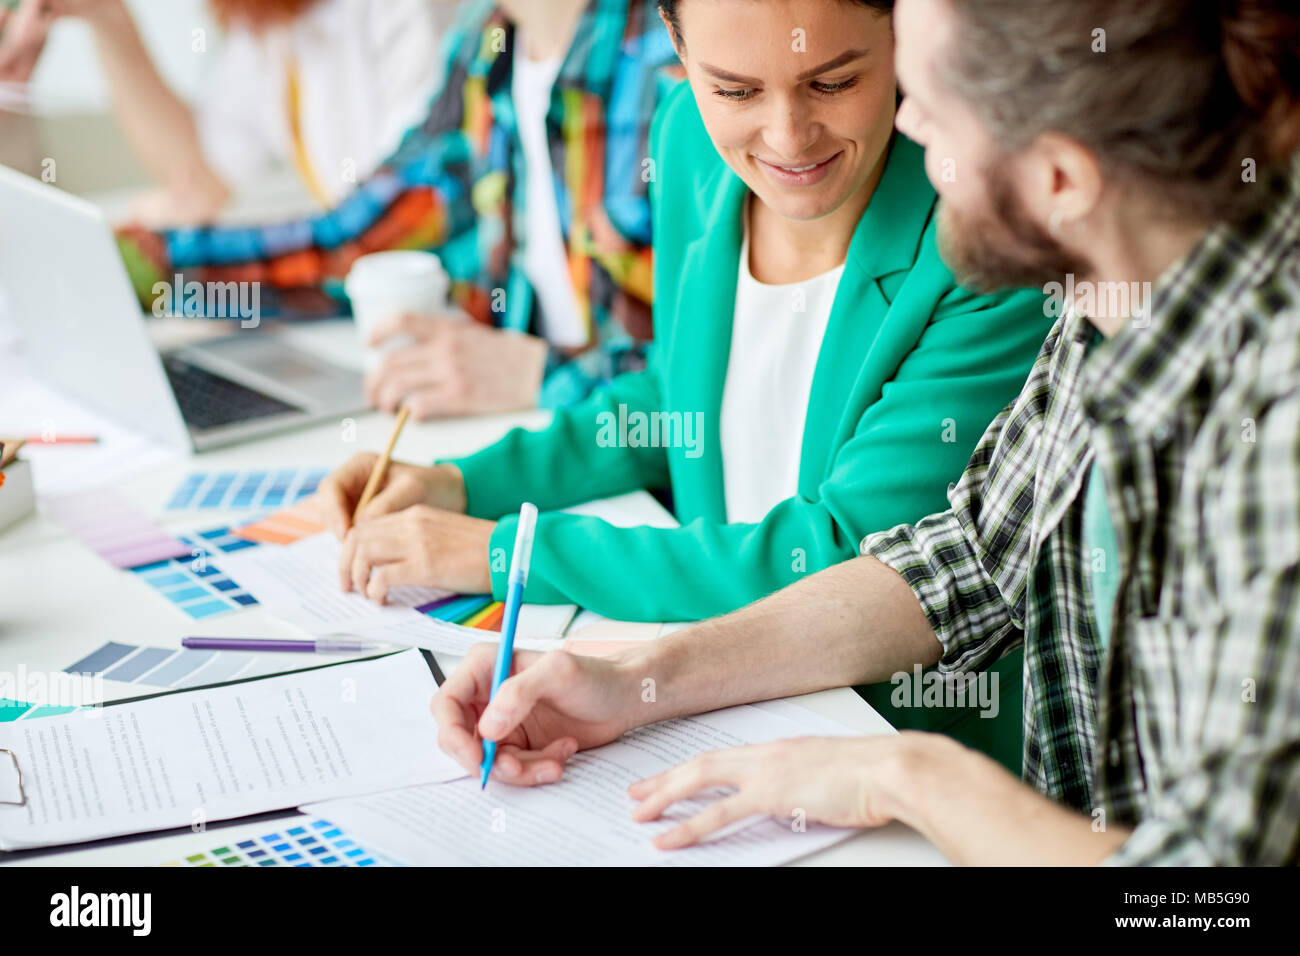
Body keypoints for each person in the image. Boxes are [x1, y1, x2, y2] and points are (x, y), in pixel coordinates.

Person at [432, 0, 1300, 865]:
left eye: (925, 101)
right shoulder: (1108, 298)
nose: (907, 127)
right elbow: (965, 559)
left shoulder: (1276, 430)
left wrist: (909, 776)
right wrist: (633, 684)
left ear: (1060, 180)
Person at [321, 0, 1049, 768]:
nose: (787, 136)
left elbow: (840, 561)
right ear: (675, 43)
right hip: (708, 700)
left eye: (833, 82)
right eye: (736, 91)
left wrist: (510, 551)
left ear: (902, 34)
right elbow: (676, 402)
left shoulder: (982, 235)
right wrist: (463, 483)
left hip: (893, 742)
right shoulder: (688, 146)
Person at [117, 0, 680, 416]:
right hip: (544, 464)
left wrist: (541, 372)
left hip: (664, 519)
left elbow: (710, 390)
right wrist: (146, 270)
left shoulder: (679, 60)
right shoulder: (484, 48)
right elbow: (355, 242)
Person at [1, 0, 457, 224]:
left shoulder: (403, 11)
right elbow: (201, 180)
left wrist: (180, 262)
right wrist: (108, 20)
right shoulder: (265, 24)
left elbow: (406, 213)